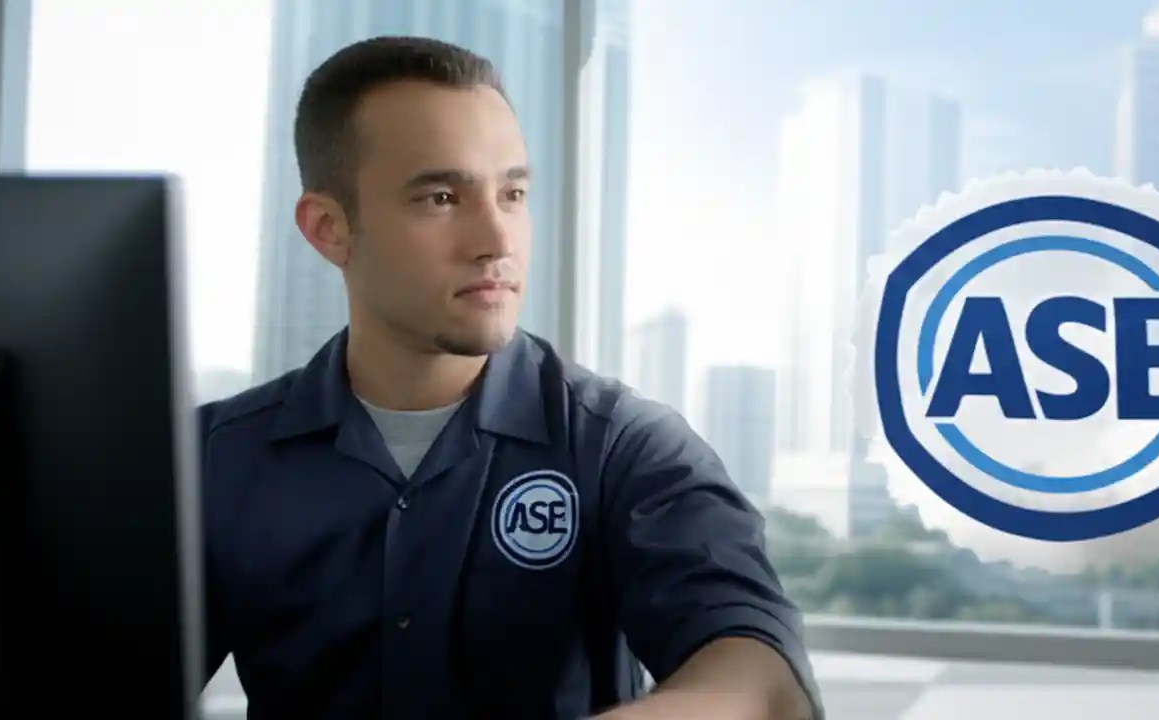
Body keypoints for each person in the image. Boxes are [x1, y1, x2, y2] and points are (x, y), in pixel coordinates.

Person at [197, 35, 823, 719]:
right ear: (329, 229)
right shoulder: (213, 458)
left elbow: (760, 675)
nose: (498, 238)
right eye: (440, 197)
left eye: (513, 192)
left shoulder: (623, 446)